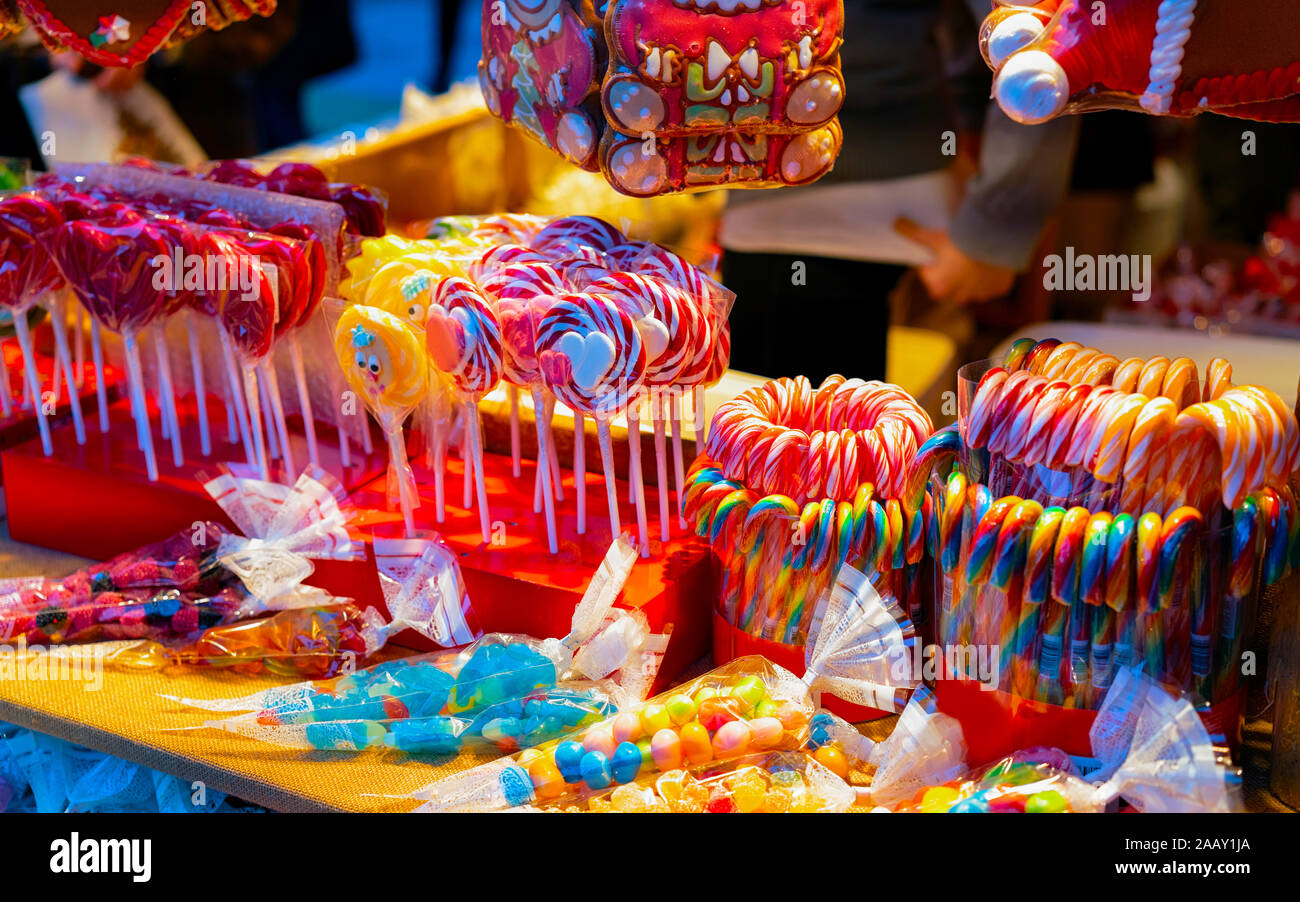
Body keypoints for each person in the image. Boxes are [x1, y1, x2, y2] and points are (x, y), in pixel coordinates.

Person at [721, 0, 1081, 384]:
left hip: (836, 222)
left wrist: (996, 222)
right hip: (805, 205)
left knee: (823, 437)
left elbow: (1039, 36)